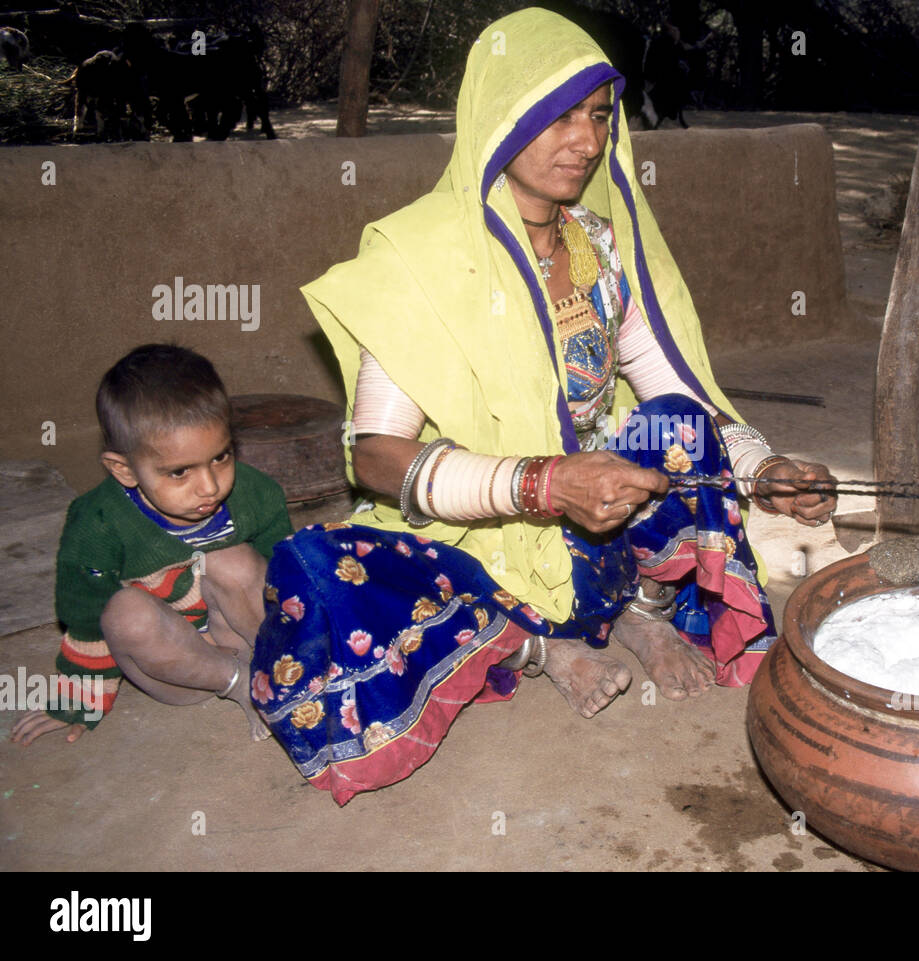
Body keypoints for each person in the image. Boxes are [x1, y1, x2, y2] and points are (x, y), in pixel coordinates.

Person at [252, 7, 837, 805]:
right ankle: (538, 646)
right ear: (500, 117)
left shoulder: (600, 246)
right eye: (558, 116)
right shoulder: (419, 256)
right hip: (476, 534)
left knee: (682, 429)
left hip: (597, 521)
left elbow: (671, 388)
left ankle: (634, 610)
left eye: (598, 116)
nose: (587, 141)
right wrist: (538, 484)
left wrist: (764, 468)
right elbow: (376, 457)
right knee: (320, 574)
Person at [9, 344, 293, 747]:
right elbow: (86, 614)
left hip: (237, 633)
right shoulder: (97, 523)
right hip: (177, 671)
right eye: (180, 472)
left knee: (238, 562)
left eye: (221, 457)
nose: (210, 486)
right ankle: (239, 682)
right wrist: (80, 699)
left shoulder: (255, 493)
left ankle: (283, 665)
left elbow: (286, 571)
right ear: (123, 469)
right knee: (125, 613)